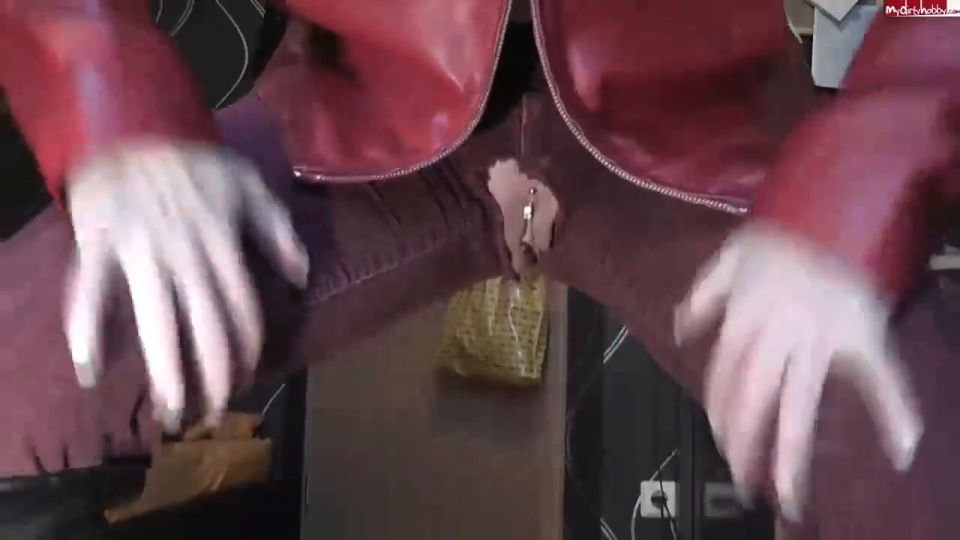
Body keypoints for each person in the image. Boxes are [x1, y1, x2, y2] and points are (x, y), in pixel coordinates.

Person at [0, 1, 957, 538]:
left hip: (702, 134)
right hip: (361, 117)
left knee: (914, 450)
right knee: (26, 363)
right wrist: (107, 101)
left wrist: (864, 178)